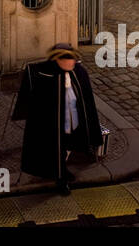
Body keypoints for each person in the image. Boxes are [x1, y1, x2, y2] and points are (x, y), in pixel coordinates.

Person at [11, 43, 104, 193]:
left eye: (72, 59)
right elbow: (35, 100)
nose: (71, 62)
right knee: (56, 149)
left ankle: (62, 170)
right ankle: (61, 180)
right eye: (67, 59)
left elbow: (86, 100)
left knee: (66, 146)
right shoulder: (46, 76)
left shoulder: (78, 73)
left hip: (73, 121)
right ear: (57, 60)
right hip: (54, 125)